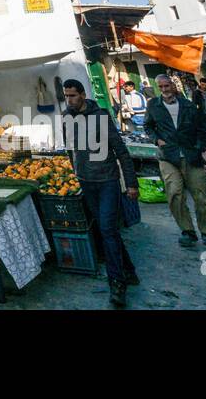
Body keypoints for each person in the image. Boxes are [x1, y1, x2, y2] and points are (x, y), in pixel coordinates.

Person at [61, 79, 139, 307]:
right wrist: (74, 173)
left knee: (107, 228)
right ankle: (129, 270)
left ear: (83, 95)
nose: (69, 100)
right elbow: (69, 148)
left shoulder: (101, 115)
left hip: (107, 181)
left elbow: (121, 151)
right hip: (86, 181)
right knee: (107, 230)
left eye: (73, 95)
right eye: (66, 96)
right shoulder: (67, 117)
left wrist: (131, 183)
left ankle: (117, 283)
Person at [145, 73, 206, 247]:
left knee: (200, 196)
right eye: (160, 87)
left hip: (191, 155)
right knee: (175, 193)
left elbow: (201, 129)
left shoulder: (189, 105)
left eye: (166, 86)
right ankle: (187, 230)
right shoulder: (153, 105)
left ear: (173, 86)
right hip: (168, 156)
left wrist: (199, 147)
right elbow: (148, 126)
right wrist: (157, 140)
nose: (164, 90)